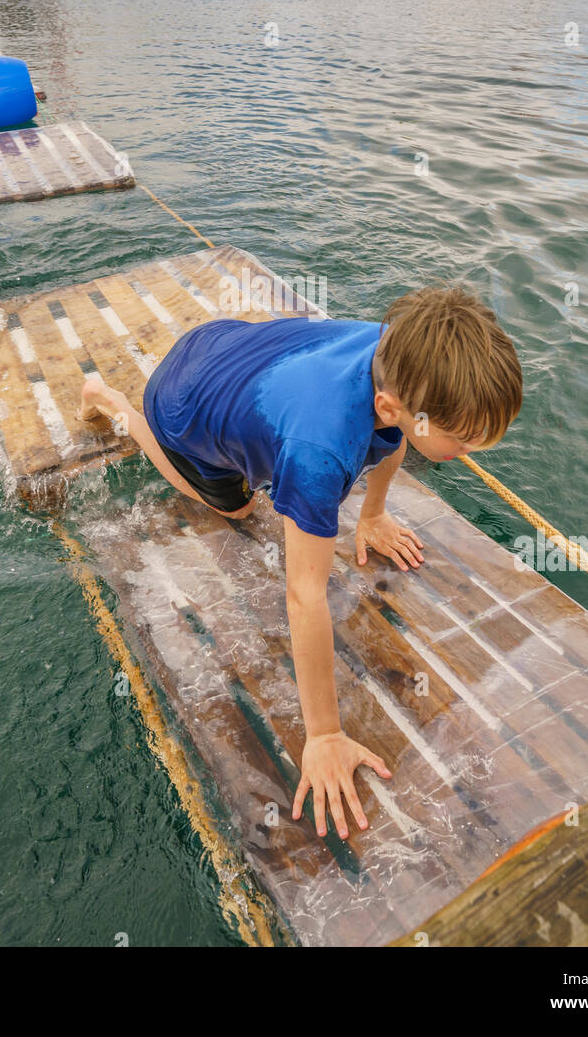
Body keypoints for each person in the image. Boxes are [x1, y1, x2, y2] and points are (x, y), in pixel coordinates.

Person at [78, 287, 522, 840]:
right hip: (176, 405)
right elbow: (304, 595)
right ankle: (117, 404)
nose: (475, 446)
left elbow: (393, 439)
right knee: (239, 505)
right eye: (464, 438)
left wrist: (373, 515)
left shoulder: (400, 351)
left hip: (219, 344)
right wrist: (325, 736)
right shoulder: (320, 453)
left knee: (313, 450)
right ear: (388, 406)